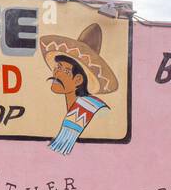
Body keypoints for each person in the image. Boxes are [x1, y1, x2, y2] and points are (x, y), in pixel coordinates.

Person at [39, 23, 119, 155]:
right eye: (57, 67)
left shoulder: (98, 112)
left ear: (78, 80)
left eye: (64, 70)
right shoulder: (73, 109)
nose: (56, 74)